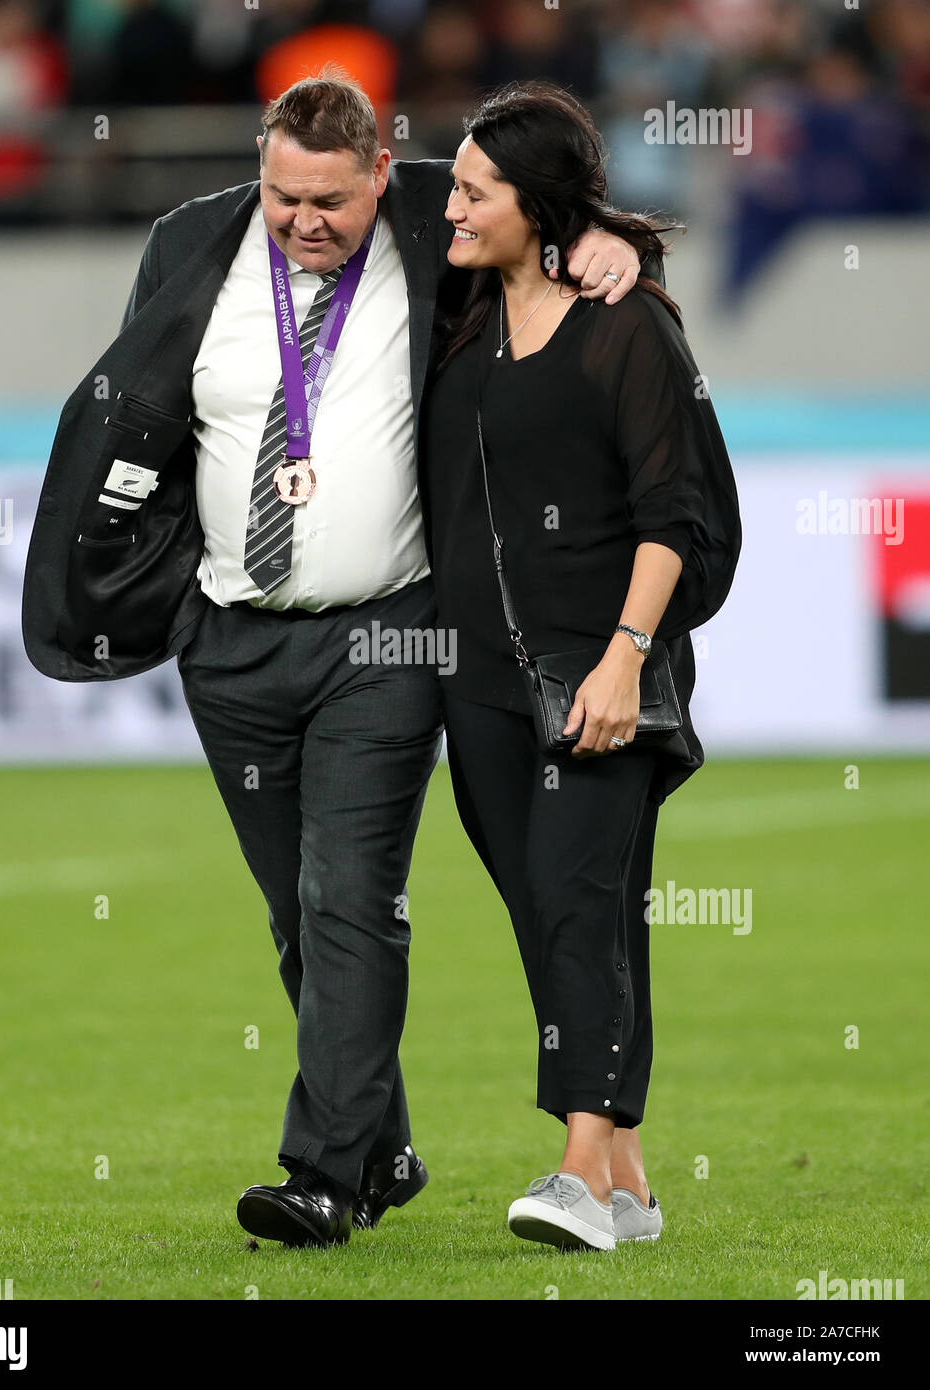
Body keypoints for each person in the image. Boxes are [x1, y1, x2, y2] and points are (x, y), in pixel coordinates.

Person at [21, 70, 649, 1249]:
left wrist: (601, 231)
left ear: (382, 179)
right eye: (281, 195)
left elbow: (525, 203)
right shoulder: (187, 245)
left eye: (330, 200)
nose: (305, 220)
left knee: (347, 896)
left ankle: (321, 1173)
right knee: (296, 921)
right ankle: (381, 1141)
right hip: (229, 636)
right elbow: (137, 411)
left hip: (387, 632)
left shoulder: (430, 227)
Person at [419, 81, 742, 1252]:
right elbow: (372, 198)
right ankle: (630, 1179)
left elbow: (674, 510)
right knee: (563, 919)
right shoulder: (453, 304)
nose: (448, 206)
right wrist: (572, 224)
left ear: (535, 203)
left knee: (573, 907)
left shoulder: (626, 323)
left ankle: (572, 1175)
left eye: (473, 190)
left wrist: (621, 660)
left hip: (601, 676)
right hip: (481, 684)